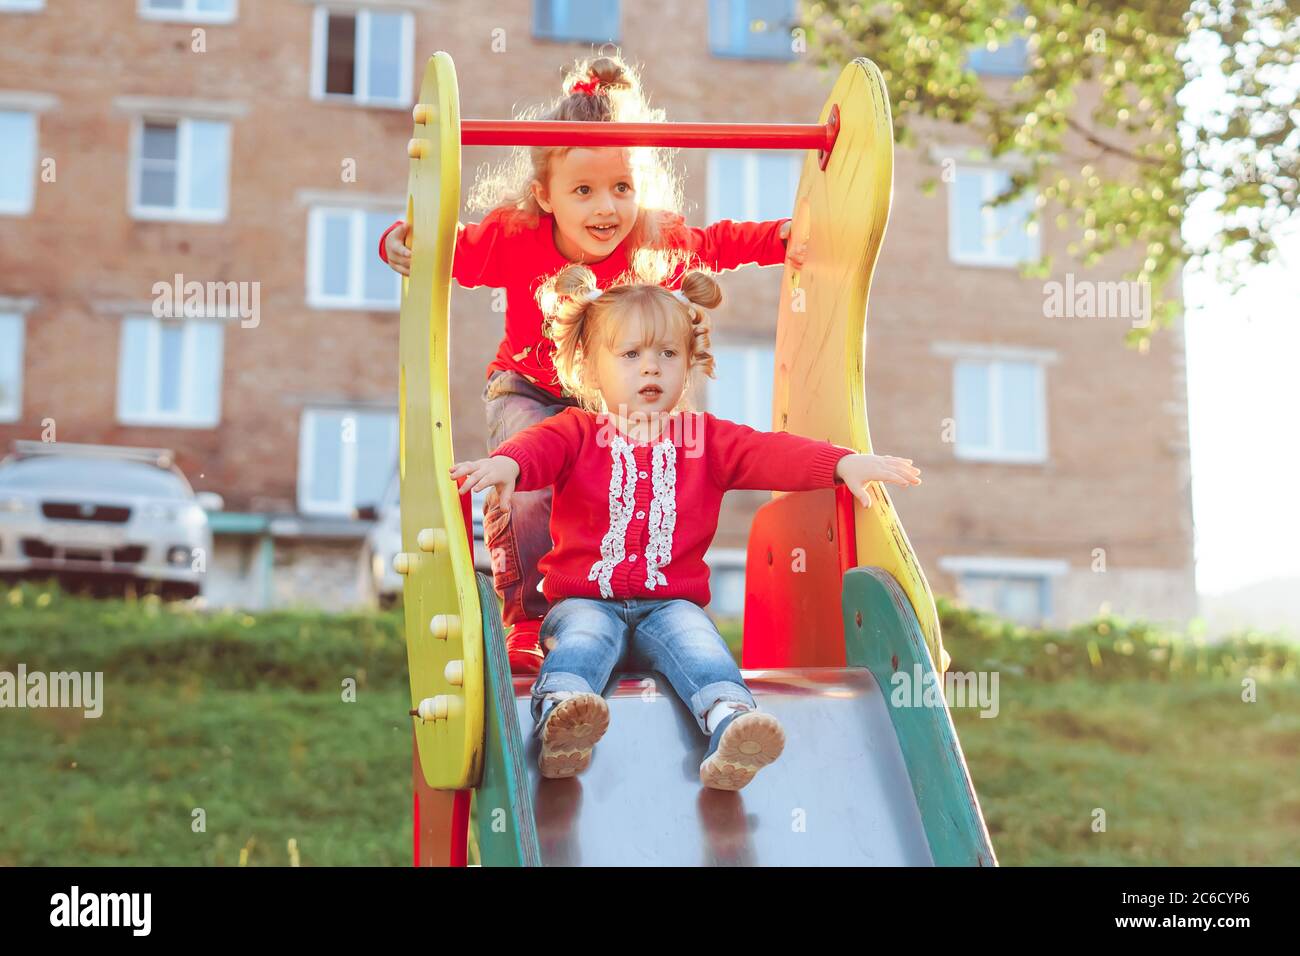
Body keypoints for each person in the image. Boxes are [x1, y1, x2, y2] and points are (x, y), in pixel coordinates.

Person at [379, 52, 807, 673]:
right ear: (544, 195)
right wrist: (401, 237)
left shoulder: (652, 241)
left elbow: (720, 243)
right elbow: (450, 249)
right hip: (526, 386)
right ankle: (527, 619)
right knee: (524, 485)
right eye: (583, 191)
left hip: (607, 402)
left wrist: (786, 237)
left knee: (620, 491)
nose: (606, 208)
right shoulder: (513, 237)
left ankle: (621, 608)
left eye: (622, 188)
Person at [449, 260, 921, 791]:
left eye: (667, 355)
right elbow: (537, 448)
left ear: (689, 364)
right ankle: (563, 720)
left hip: (669, 606)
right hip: (586, 599)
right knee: (579, 636)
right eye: (631, 355)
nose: (651, 369)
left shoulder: (706, 440)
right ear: (589, 367)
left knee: (700, 645)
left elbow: (771, 452)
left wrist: (842, 463)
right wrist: (508, 463)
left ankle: (731, 727)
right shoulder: (577, 431)